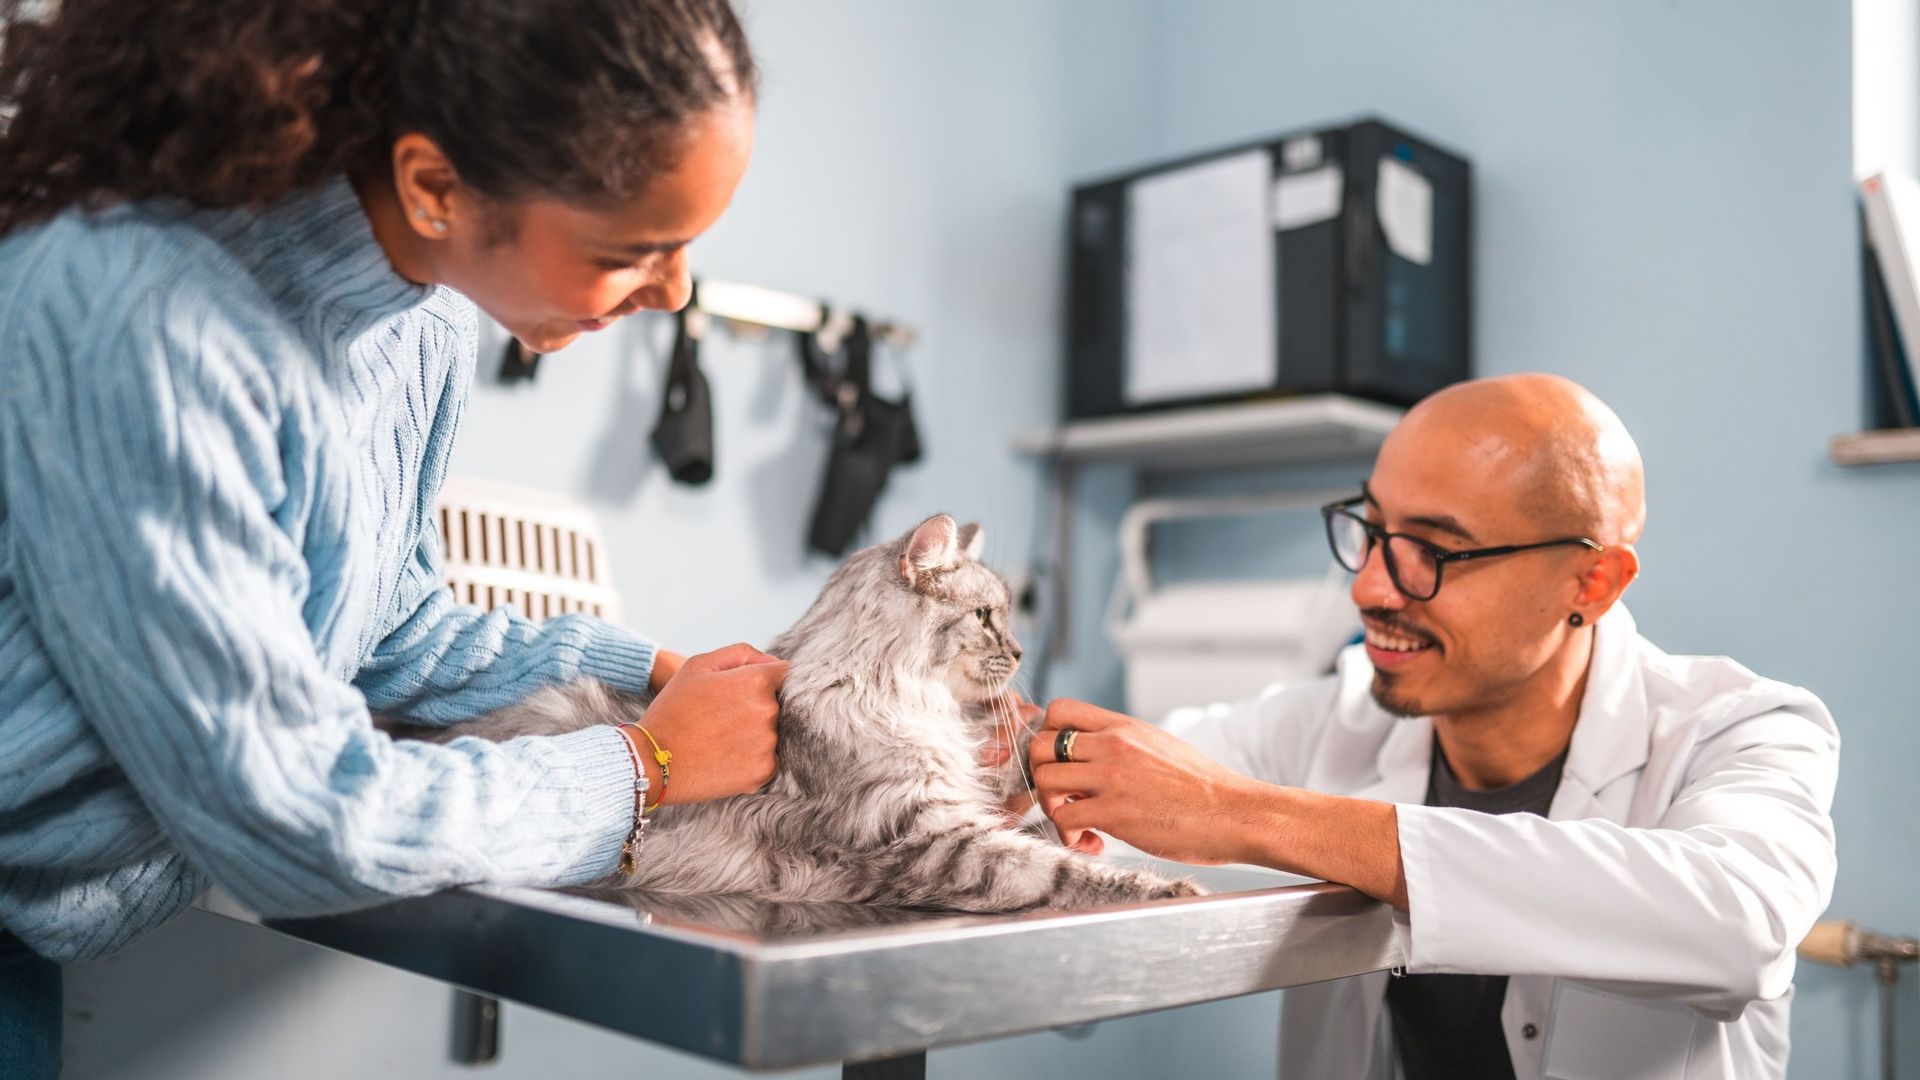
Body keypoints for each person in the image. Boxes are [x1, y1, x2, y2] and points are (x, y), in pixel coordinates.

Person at [0, 2, 785, 1076]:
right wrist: (645, 767)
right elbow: (299, 818)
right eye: (631, 251)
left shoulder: (421, 320)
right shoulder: (144, 319)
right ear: (435, 188)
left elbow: (390, 627)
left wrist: (649, 673)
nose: (675, 290)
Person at [1031, 374, 1838, 1080]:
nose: (1372, 589)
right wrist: (1004, 768)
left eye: (1434, 551)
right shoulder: (1332, 722)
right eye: (1373, 529)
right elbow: (1111, 797)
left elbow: (1738, 923)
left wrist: (1243, 814)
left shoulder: (1740, 728)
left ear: (1591, 582)